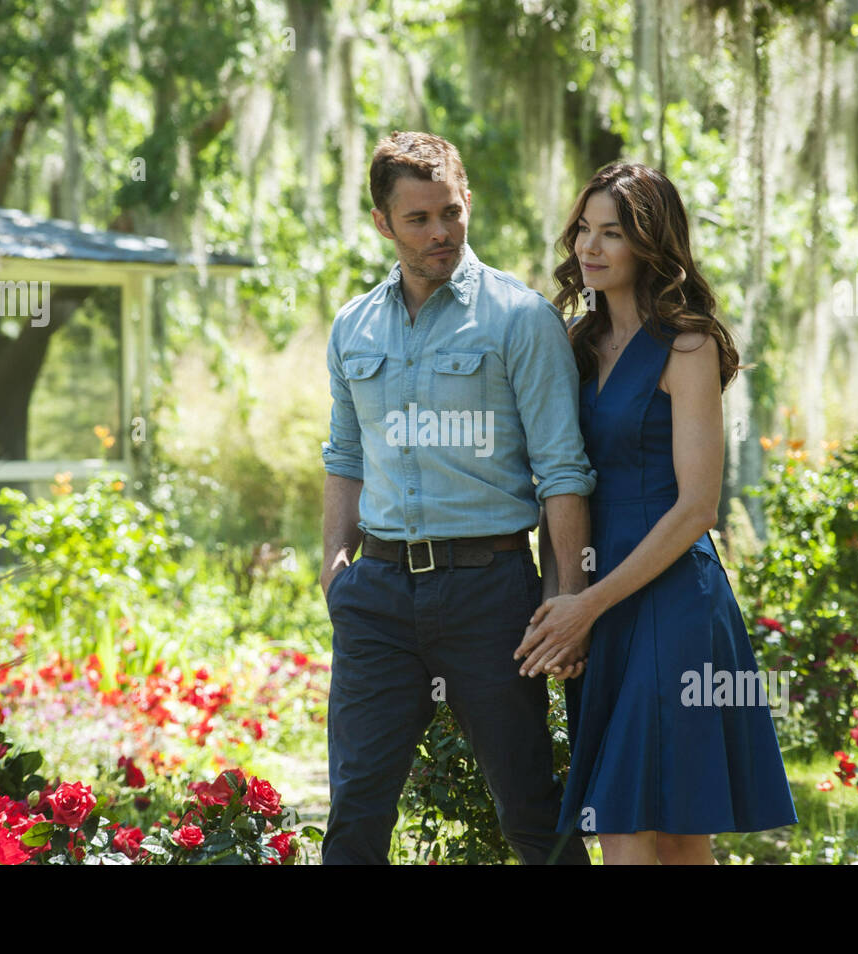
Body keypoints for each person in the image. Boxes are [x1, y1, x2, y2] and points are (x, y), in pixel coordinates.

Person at [319, 130, 596, 865]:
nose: (440, 231)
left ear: (467, 201)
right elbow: (344, 455)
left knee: (532, 810)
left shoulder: (519, 318)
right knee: (354, 812)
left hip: (490, 595)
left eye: (451, 211)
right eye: (418, 219)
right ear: (382, 223)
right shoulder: (354, 325)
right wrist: (334, 563)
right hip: (375, 595)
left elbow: (562, 471)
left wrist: (567, 598)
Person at [514, 161, 799, 865]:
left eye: (613, 233)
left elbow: (699, 506)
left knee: (629, 820)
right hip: (599, 596)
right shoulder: (572, 345)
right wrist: (567, 599)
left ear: (651, 245)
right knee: (668, 827)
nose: (590, 246)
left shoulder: (689, 345)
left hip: (672, 598)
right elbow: (561, 482)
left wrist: (587, 604)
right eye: (584, 228)